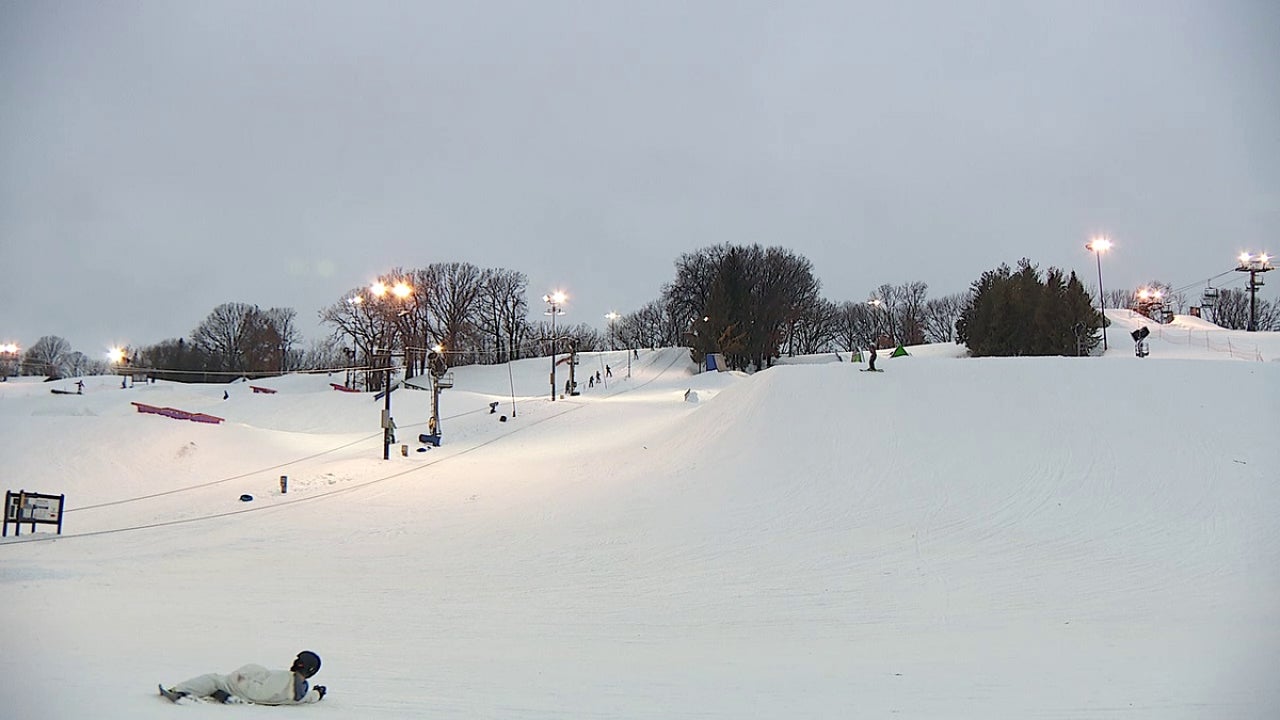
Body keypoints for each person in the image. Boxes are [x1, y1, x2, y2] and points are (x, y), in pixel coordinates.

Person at [160, 651, 326, 705]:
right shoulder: (301, 694)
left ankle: (180, 691)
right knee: (218, 683)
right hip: (246, 694)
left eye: (299, 662)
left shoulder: (286, 678)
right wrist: (318, 693)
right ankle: (228, 697)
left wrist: (242, 678)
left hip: (241, 688)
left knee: (214, 679)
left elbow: (260, 690)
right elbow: (310, 698)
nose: (295, 663)